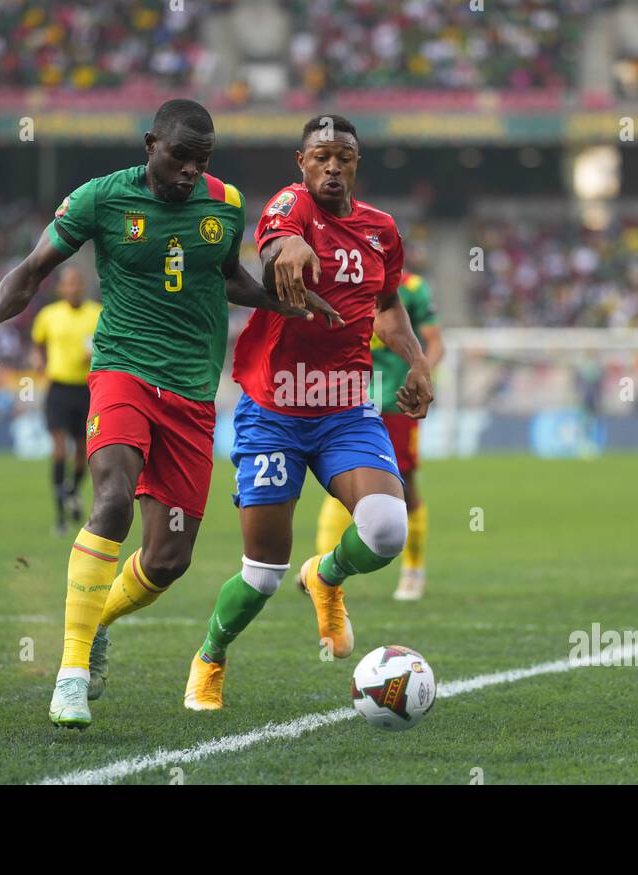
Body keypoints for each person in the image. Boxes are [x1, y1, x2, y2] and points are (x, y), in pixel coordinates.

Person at [0, 99, 335, 730]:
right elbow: (32, 268)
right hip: (122, 373)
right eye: (181, 156)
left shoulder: (226, 203)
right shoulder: (100, 199)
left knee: (168, 559)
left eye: (202, 160)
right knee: (109, 501)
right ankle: (71, 676)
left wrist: (289, 304)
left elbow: (228, 279)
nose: (191, 170)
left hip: (191, 394)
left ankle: (96, 620)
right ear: (150, 143)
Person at [184, 114, 433, 710]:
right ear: (302, 162)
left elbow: (388, 305)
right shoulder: (289, 206)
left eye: (342, 157)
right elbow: (277, 241)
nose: (331, 166)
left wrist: (418, 361)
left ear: (356, 163)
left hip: (345, 406)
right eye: (319, 156)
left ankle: (325, 576)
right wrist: (287, 247)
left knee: (385, 529)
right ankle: (210, 656)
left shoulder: (382, 231)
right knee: (264, 573)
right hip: (274, 409)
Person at [315, 270, 443, 600]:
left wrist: (423, 375)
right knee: (340, 481)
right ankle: (322, 571)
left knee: (406, 482)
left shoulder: (412, 289)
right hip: (351, 397)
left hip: (396, 400)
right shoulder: (347, 279)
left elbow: (435, 343)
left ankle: (413, 570)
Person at [31, 266, 101, 534]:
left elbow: (104, 343)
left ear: (82, 286)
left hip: (87, 389)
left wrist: (95, 355)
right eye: (68, 284)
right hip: (58, 388)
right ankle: (60, 514)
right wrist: (38, 359)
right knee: (59, 448)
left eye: (76, 283)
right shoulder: (49, 316)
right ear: (61, 288)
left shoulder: (96, 313)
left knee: (83, 452)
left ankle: (72, 489)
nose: (72, 288)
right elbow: (38, 343)